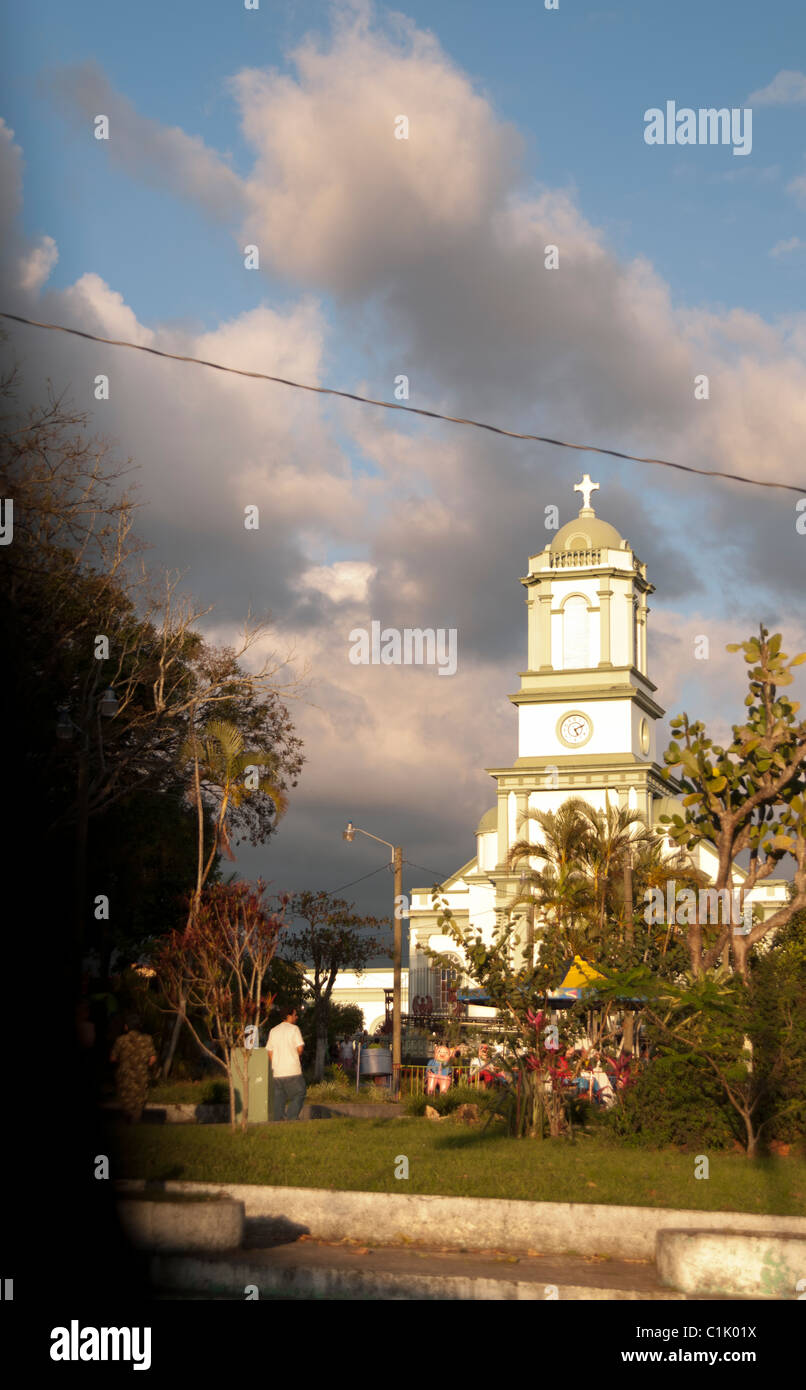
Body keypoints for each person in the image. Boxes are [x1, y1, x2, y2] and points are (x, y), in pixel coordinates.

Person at [109, 1013, 156, 1123]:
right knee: (139, 1102)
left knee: (126, 1100)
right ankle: (135, 1120)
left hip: (124, 1076)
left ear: (126, 1026)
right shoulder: (147, 1039)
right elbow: (153, 1059)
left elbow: (112, 1058)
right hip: (141, 1076)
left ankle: (127, 1120)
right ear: (139, 1026)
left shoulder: (121, 1040)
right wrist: (145, 1066)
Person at [267, 1005, 306, 1120]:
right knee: (299, 1093)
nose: (296, 1017)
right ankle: (291, 1118)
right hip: (292, 1070)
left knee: (279, 1098)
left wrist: (276, 1063)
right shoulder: (294, 1029)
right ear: (289, 1016)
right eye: (295, 1015)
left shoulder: (273, 1031)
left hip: (277, 1072)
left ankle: (278, 1121)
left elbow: (269, 1051)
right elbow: (300, 1049)